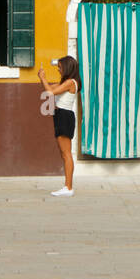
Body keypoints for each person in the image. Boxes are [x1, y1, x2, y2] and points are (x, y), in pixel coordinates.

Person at [38, 56, 80, 197]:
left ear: (67, 68)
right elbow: (48, 88)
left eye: (60, 67)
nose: (58, 69)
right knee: (64, 153)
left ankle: (68, 187)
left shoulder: (70, 82)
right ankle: (67, 187)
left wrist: (43, 78)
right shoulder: (65, 82)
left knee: (66, 154)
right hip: (60, 116)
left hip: (64, 117)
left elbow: (49, 93)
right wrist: (42, 78)